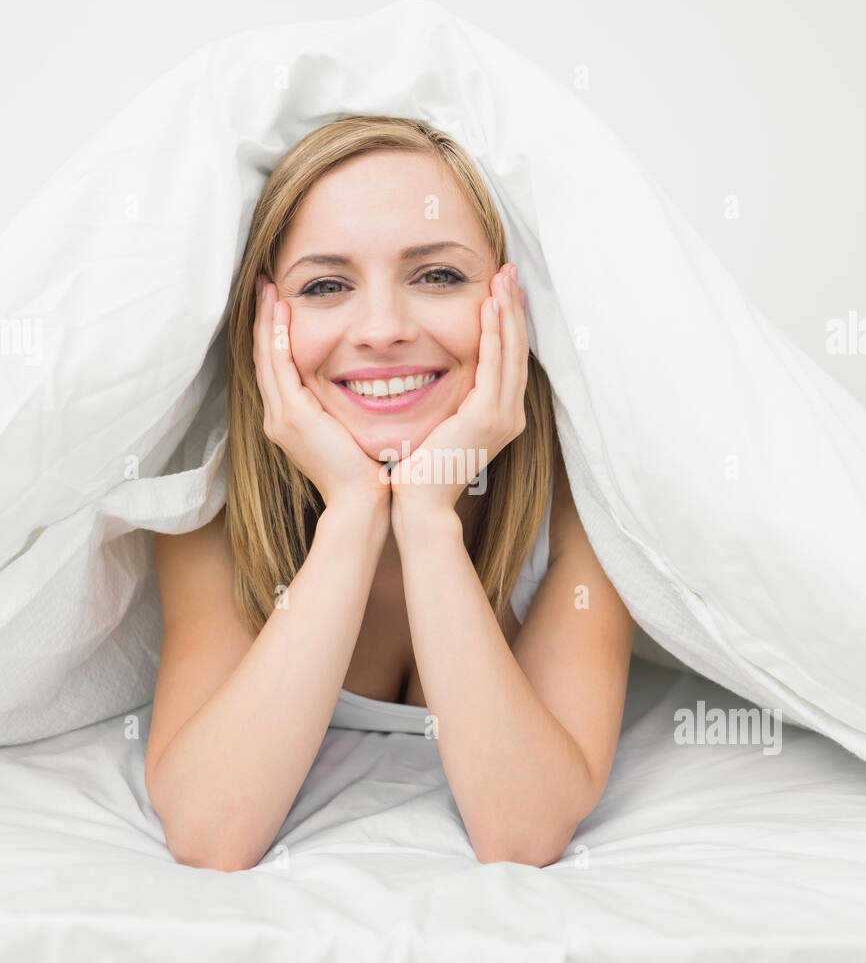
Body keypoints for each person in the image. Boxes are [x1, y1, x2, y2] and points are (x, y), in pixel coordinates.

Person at [144, 116, 635, 872]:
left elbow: (523, 832)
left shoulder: (586, 508)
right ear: (264, 326)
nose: (382, 330)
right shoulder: (206, 509)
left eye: (438, 275)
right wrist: (351, 513)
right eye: (326, 285)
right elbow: (211, 834)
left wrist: (429, 515)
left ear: (513, 305)